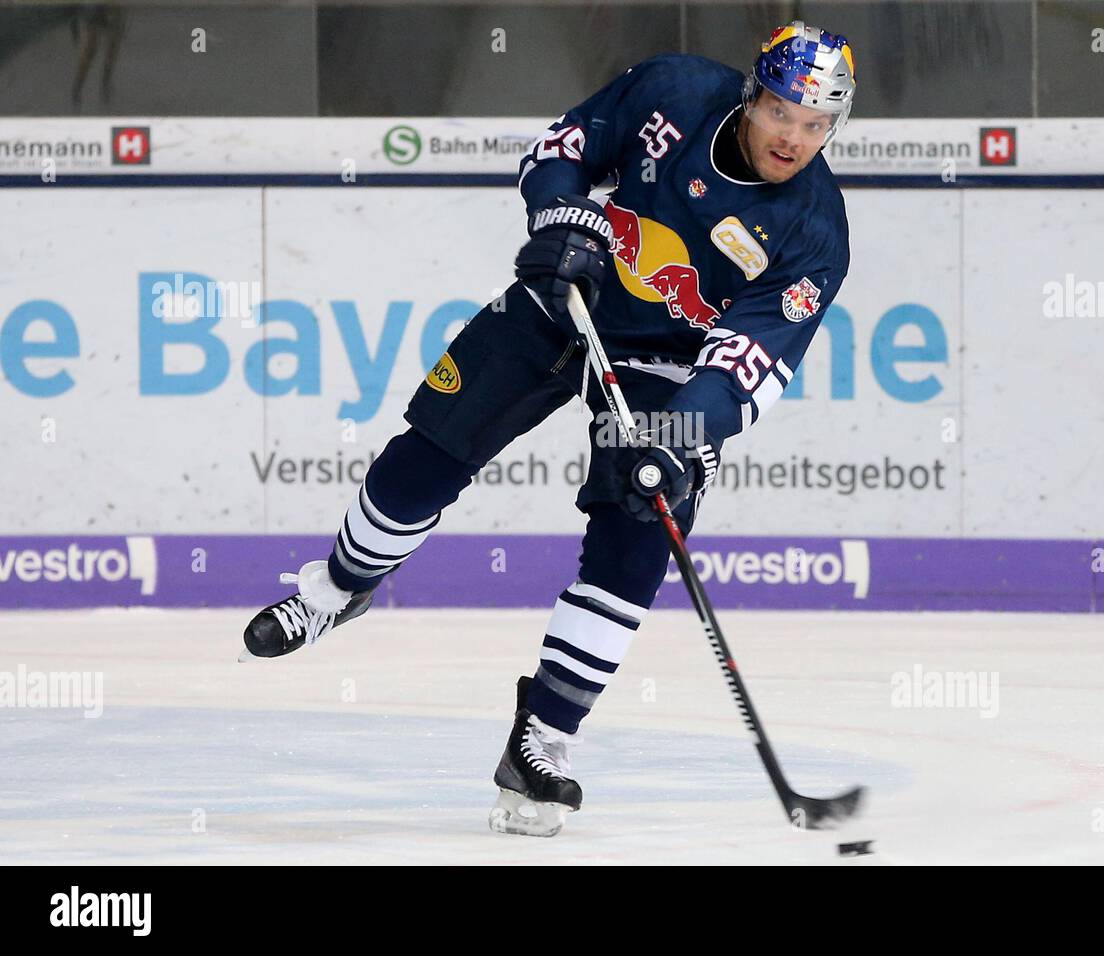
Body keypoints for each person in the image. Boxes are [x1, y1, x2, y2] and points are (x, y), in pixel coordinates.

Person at [240, 20, 855, 838]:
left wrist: (683, 433)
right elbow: (561, 150)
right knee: (430, 451)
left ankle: (544, 738)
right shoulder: (671, 91)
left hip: (664, 371)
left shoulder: (813, 231)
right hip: (568, 299)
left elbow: (748, 365)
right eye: (783, 112)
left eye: (816, 125)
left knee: (641, 526)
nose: (794, 137)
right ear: (755, 95)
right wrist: (563, 218)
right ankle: (337, 590)